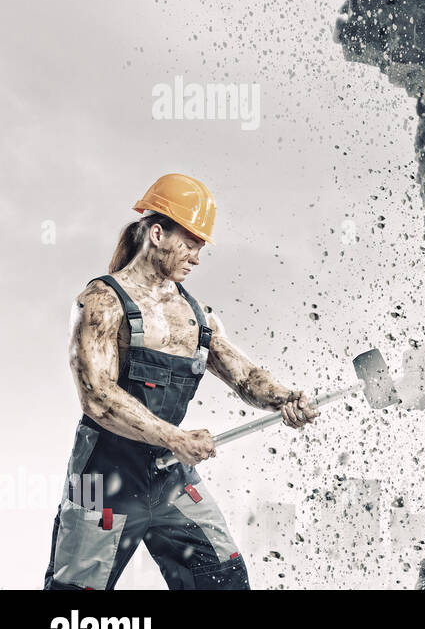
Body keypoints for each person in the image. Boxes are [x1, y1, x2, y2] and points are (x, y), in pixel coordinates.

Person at [43, 173, 320, 590]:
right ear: (157, 233)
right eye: (189, 244)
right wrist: (175, 438)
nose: (196, 257)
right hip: (103, 478)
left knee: (224, 580)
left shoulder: (197, 316)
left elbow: (245, 376)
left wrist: (286, 398)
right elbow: (97, 397)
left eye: (200, 248)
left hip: (170, 478)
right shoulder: (101, 301)